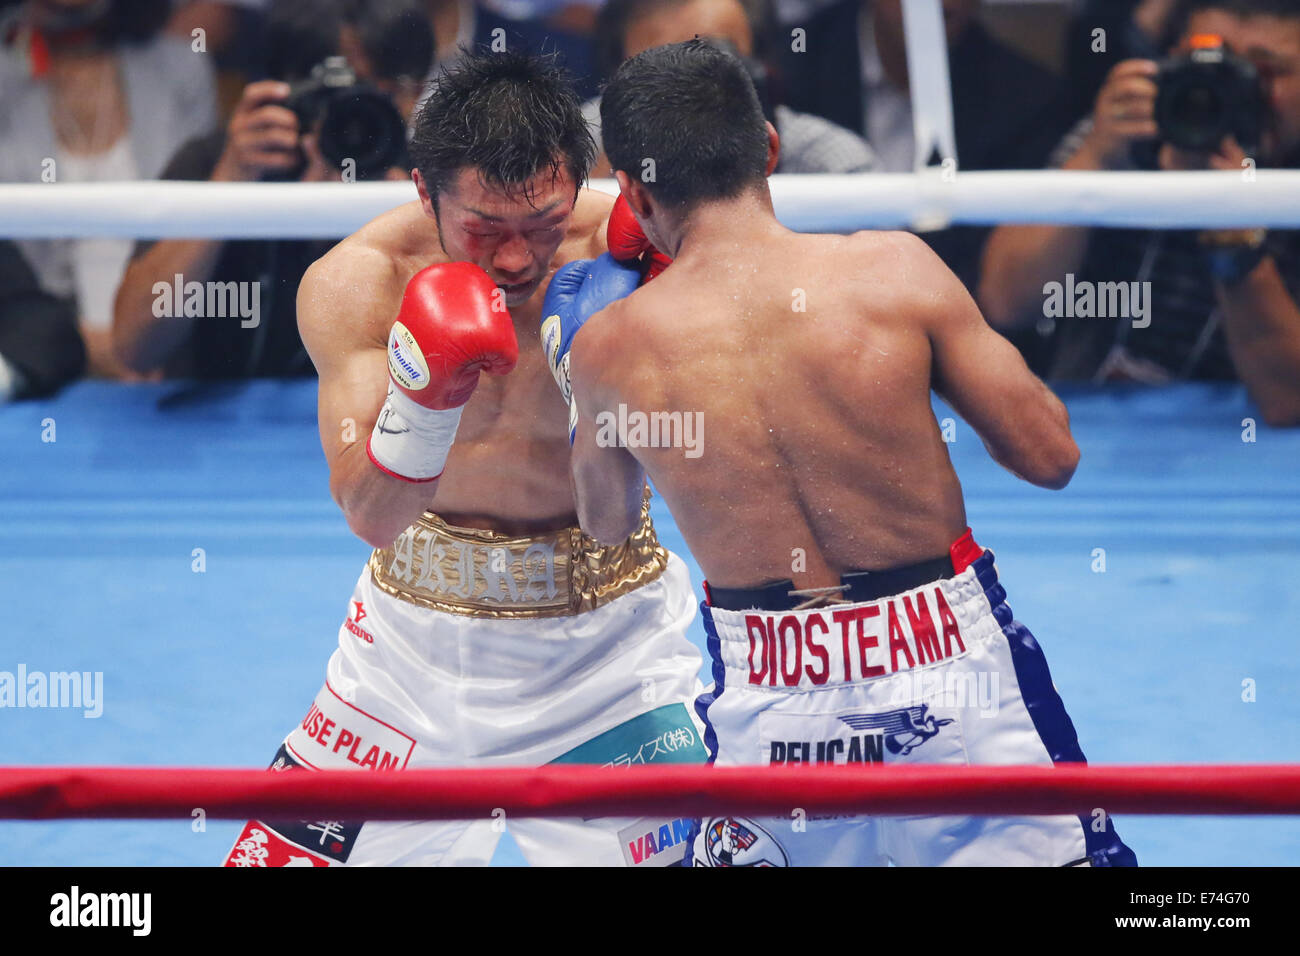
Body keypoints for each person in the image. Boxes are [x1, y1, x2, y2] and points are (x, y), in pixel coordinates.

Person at [540, 38, 1137, 866]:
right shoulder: (892, 270)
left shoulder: (613, 346)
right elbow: (1050, 454)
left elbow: (605, 526)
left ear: (634, 193)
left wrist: (580, 379)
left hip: (774, 703)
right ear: (771, 150)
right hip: (953, 678)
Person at [221, 48, 706, 869]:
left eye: (542, 225)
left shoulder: (644, 259)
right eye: (485, 229)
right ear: (423, 191)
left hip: (612, 656)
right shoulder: (356, 283)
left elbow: (643, 503)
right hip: (407, 664)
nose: (516, 259)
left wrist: (605, 390)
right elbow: (372, 515)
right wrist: (427, 396)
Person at [979, 0, 1300, 427]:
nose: (1226, 88)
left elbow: (1289, 400)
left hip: (1244, 445)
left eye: (1263, 72)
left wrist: (1233, 233)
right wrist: (1096, 156)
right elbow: (1006, 303)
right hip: (1085, 425)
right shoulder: (1124, 137)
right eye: (1204, 64)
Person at [112, 0, 432, 379]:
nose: (360, 114)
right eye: (346, 92)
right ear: (289, 86)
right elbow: (134, 347)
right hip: (219, 422)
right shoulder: (224, 161)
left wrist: (405, 230)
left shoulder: (426, 180)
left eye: (388, 93)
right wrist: (229, 187)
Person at [0, 0, 216, 379]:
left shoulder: (180, 67)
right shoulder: (6, 79)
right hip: (39, 353)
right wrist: (80, 344)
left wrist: (144, 337)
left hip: (171, 346)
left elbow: (203, 221)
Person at [582, 0, 876, 178]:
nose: (688, 87)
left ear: (761, 66)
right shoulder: (581, 144)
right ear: (615, 76)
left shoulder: (830, 166)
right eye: (659, 69)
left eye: (709, 58)